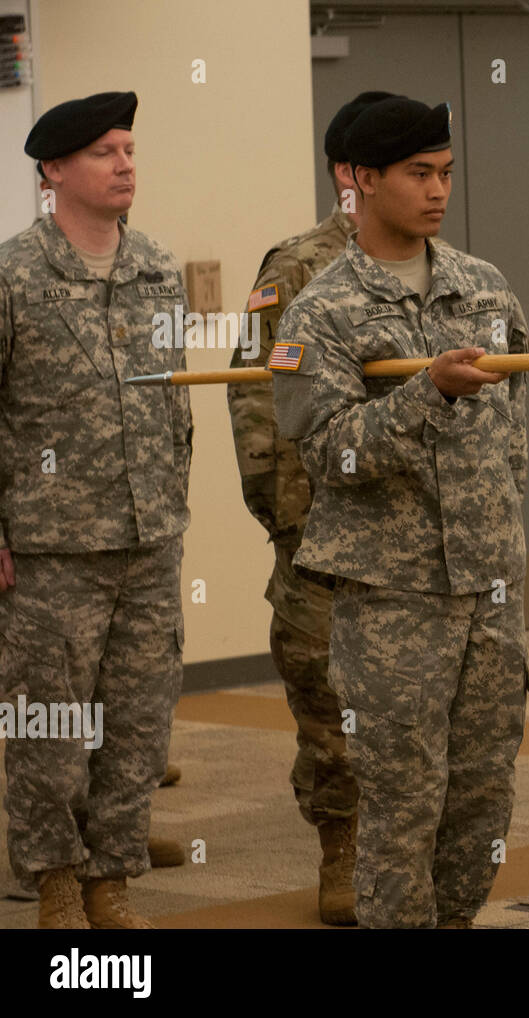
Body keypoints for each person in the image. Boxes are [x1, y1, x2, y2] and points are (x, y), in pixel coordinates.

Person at [271, 96, 529, 929]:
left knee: (484, 797)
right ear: (361, 180)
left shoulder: (483, 285)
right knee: (401, 804)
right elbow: (331, 453)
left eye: (446, 173)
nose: (437, 191)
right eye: (419, 174)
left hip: (489, 589)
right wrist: (426, 393)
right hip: (396, 599)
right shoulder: (321, 310)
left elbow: (511, 427)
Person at [0, 91, 193, 928]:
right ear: (54, 170)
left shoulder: (157, 267)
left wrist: (174, 508)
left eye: (130, 150)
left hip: (150, 538)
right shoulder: (12, 276)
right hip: (49, 547)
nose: (125, 166)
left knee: (140, 723)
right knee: (48, 726)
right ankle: (53, 880)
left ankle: (112, 878)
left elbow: (173, 404)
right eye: (105, 153)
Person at [227, 90, 392, 925]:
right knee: (328, 697)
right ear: (349, 173)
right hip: (323, 527)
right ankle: (342, 845)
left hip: (413, 534)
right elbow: (260, 399)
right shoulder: (297, 266)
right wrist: (289, 520)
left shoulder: (443, 269)